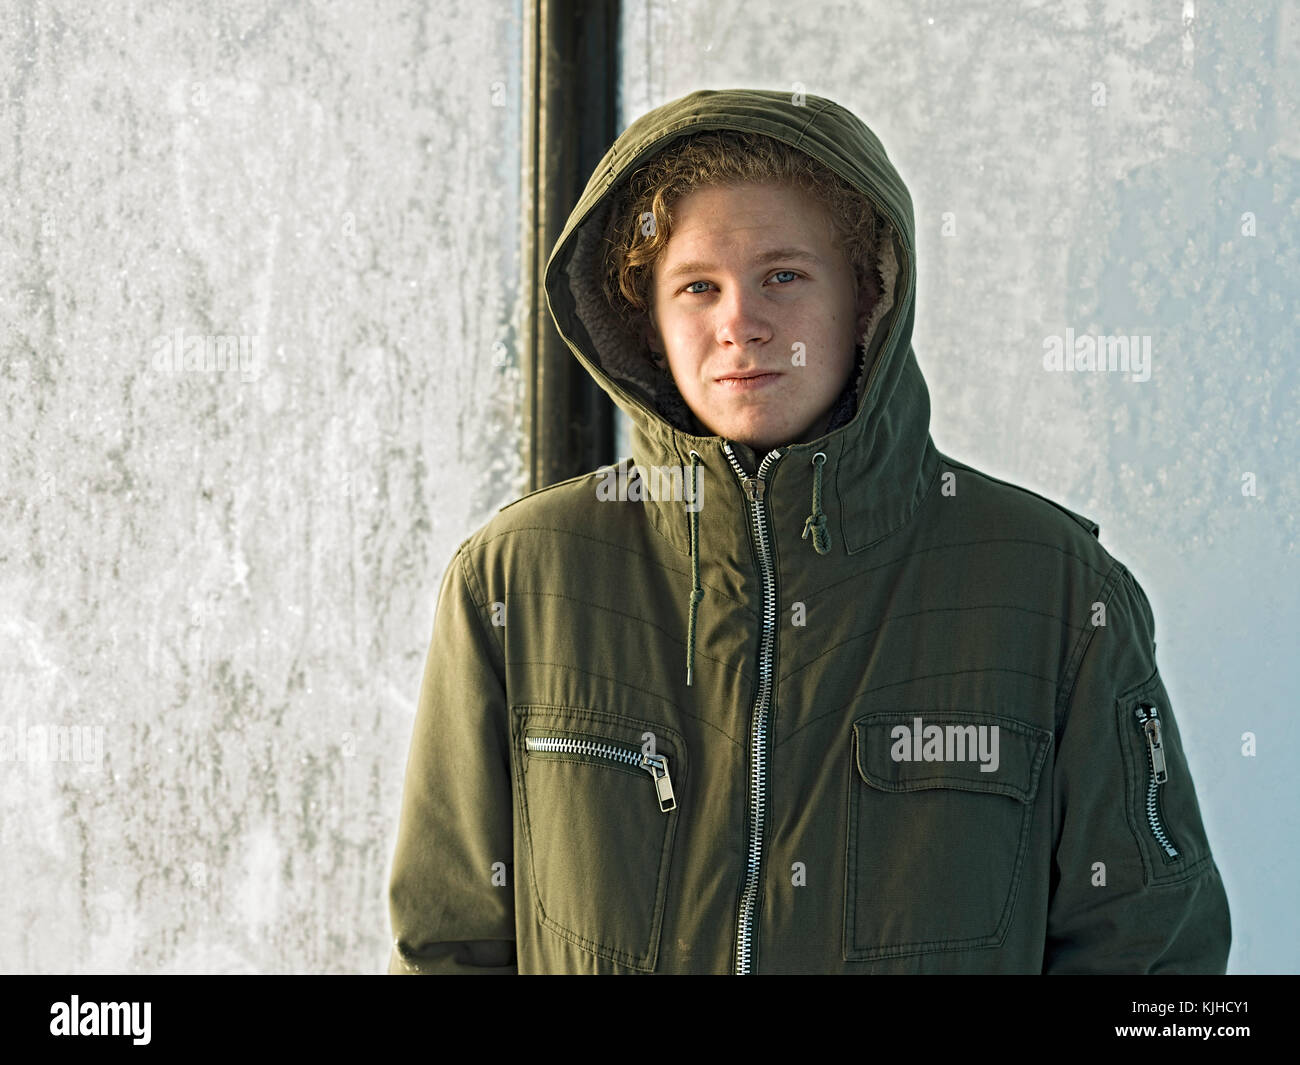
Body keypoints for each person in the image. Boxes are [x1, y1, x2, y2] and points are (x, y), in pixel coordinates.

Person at [386, 87, 1231, 974]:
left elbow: (1156, 963)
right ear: (647, 315)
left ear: (869, 298)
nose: (740, 324)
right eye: (697, 286)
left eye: (783, 276)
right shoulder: (519, 581)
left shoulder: (1057, 593)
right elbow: (450, 941)